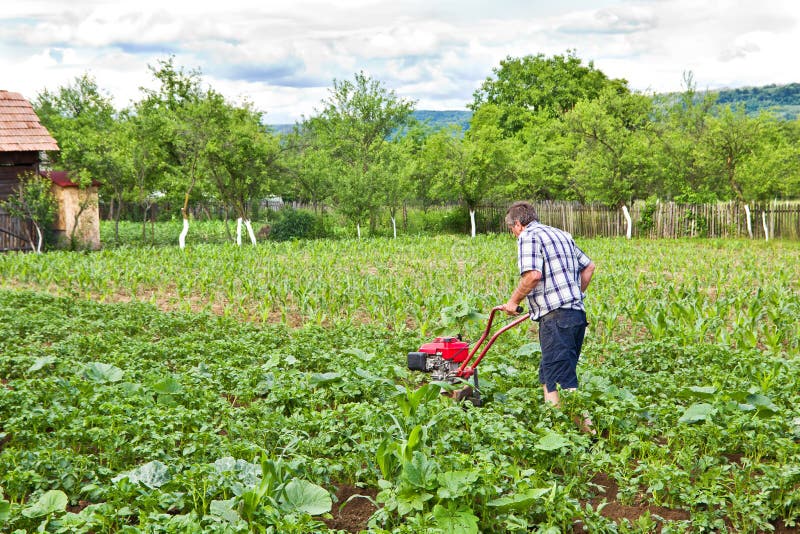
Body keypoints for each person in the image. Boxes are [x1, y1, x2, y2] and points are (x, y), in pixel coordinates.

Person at [500, 201, 596, 433]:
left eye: (512, 229)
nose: (513, 234)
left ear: (518, 224)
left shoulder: (528, 237)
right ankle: (556, 427)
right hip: (575, 316)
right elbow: (589, 267)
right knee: (550, 373)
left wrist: (513, 302)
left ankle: (587, 434)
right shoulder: (561, 234)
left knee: (562, 380)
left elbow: (533, 275)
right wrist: (572, 294)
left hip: (556, 318)